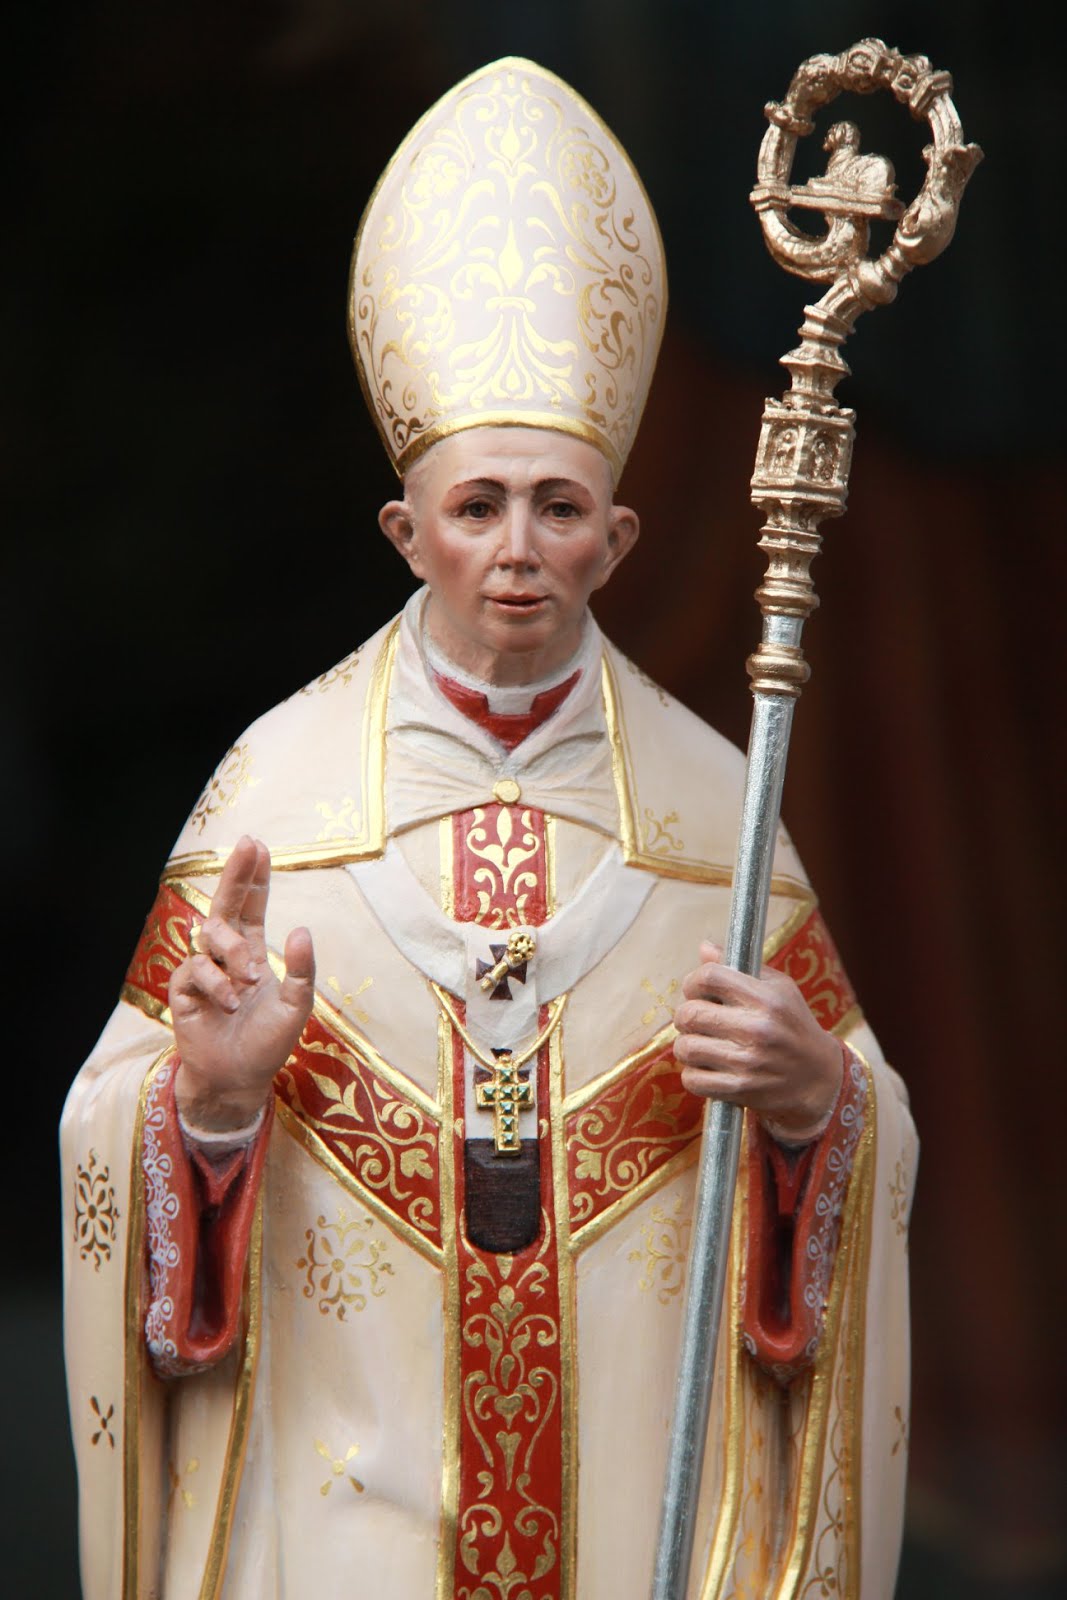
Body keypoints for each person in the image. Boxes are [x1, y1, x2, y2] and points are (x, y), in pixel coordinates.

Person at [62, 57, 916, 1599]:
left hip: (625, 1507)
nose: (519, 553)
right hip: (348, 1516)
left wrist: (814, 1108)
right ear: (406, 529)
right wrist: (203, 1110)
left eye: (560, 507)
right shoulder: (277, 792)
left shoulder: (720, 810)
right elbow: (107, 1153)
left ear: (620, 536)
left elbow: (857, 1127)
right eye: (476, 507)